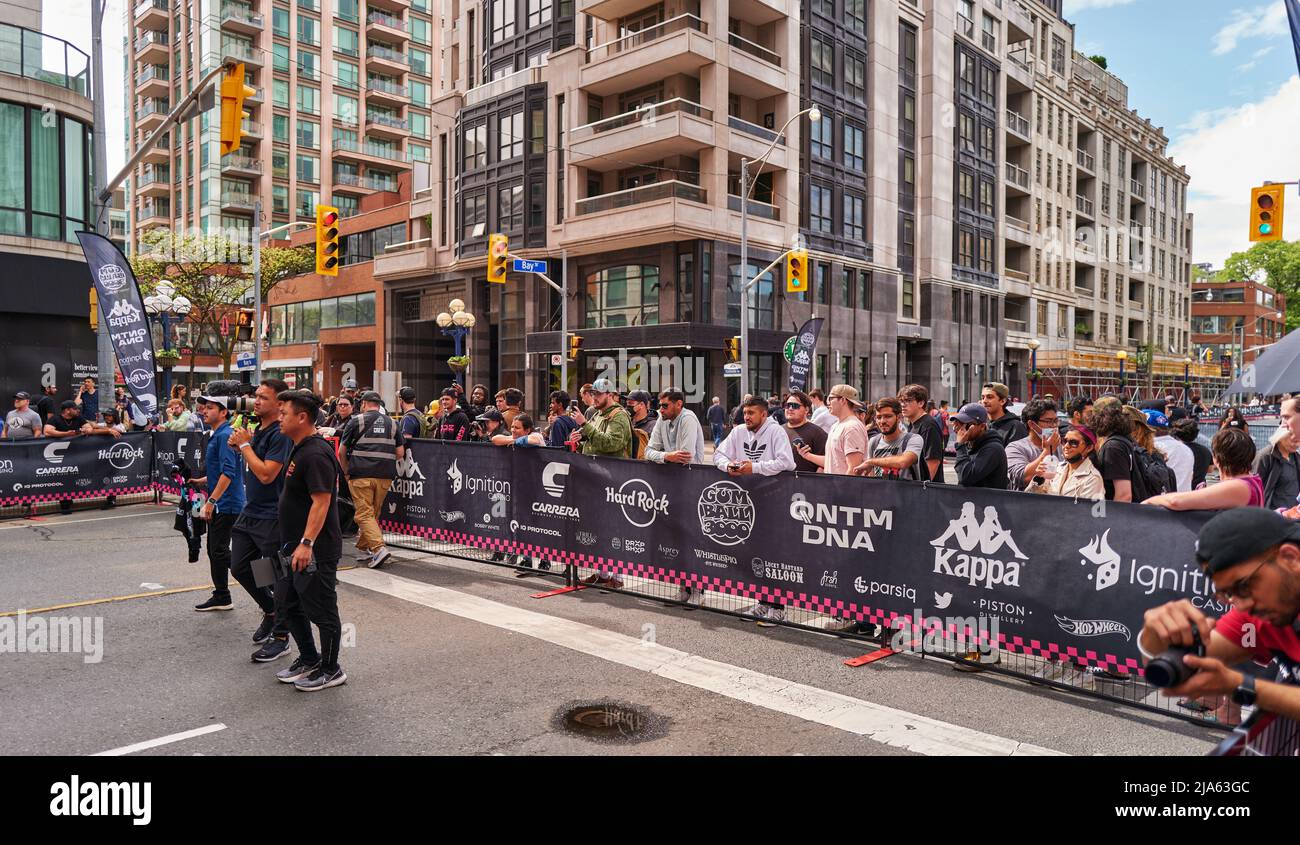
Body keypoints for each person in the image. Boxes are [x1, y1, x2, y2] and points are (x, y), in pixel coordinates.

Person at [1137, 509, 1300, 730]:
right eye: (1228, 593)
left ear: (1290, 558)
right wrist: (1153, 634)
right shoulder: (1260, 613)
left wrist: (1243, 686)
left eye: (1243, 586)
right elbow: (1174, 667)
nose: (1241, 605)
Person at [272, 390, 346, 691]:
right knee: (287, 603)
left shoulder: (315, 453)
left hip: (314, 549)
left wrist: (306, 543)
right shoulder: (299, 446)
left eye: (284, 413)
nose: (279, 418)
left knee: (322, 610)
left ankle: (331, 669)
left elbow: (321, 502)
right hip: (290, 545)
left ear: (302, 417)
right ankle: (309, 658)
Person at [225, 379, 295, 662]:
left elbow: (267, 474)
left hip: (273, 516)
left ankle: (282, 636)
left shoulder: (280, 433)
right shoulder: (258, 430)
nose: (256, 401)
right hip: (251, 511)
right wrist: (241, 445)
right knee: (240, 566)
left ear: (279, 404)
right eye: (256, 396)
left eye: (263, 397)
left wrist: (244, 446)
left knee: (278, 576)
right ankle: (270, 610)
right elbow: (253, 463)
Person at [715, 395, 796, 626]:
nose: (746, 417)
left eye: (752, 413)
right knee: (755, 554)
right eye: (745, 413)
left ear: (764, 414)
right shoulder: (739, 431)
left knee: (774, 555)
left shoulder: (776, 432)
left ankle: (779, 608)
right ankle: (762, 602)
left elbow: (787, 463)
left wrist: (755, 467)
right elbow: (719, 454)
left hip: (774, 500)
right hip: (747, 501)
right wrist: (727, 465)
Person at [190, 392, 247, 611]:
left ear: (224, 412)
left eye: (210, 407)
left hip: (228, 503)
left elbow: (229, 473)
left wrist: (211, 501)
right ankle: (222, 595)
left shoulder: (225, 435)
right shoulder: (218, 434)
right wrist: (202, 481)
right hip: (224, 501)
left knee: (222, 551)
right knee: (215, 550)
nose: (204, 410)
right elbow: (220, 471)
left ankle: (269, 587)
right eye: (204, 407)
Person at [340, 391, 404, 569]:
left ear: (364, 404)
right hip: (385, 475)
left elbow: (341, 451)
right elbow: (400, 453)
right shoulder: (393, 423)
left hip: (360, 474)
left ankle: (378, 549)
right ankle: (365, 546)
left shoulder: (356, 421)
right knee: (372, 512)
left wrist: (345, 471)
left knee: (363, 514)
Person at [1144, 428, 1263, 510]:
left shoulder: (1239, 486)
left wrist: (1148, 502)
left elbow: (1176, 501)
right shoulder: (1253, 480)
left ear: (1216, 459)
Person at [797, 384, 867, 475]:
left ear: (843, 400)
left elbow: (853, 470)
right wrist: (808, 455)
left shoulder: (852, 427)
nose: (827, 402)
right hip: (833, 486)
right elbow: (833, 461)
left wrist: (841, 489)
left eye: (830, 398)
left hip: (842, 488)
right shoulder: (836, 425)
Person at [853, 397, 924, 480]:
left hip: (907, 492)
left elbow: (903, 462)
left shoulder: (913, 439)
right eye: (879, 417)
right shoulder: (874, 441)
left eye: (888, 416)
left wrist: (870, 462)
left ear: (899, 417)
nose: (882, 421)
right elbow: (871, 477)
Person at [1026, 425, 1104, 499]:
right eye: (1064, 441)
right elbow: (1032, 498)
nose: (1066, 446)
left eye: (1073, 442)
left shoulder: (1093, 478)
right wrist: (1039, 478)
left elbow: (1086, 510)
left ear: (1089, 448)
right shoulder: (1057, 468)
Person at [1004, 398, 1061, 492]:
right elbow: (1023, 478)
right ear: (1032, 424)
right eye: (1048, 421)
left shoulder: (1059, 445)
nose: (1054, 425)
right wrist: (1047, 451)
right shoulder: (1015, 448)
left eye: (1055, 421)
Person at [567, 377, 632, 459]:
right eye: (593, 394)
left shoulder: (619, 415)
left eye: (598, 394)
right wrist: (578, 445)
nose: (594, 397)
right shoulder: (598, 414)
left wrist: (584, 424)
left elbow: (611, 444)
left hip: (611, 469)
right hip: (596, 468)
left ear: (610, 395)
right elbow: (593, 444)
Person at [1090, 398, 1139, 502]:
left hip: (1122, 514)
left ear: (1101, 417)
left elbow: (1124, 495)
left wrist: (1114, 518)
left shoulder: (1113, 447)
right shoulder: (1125, 440)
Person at [952, 402, 1008, 489]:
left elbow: (966, 477)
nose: (962, 429)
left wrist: (960, 446)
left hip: (989, 501)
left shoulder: (993, 449)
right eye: (960, 423)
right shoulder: (970, 443)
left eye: (967, 425)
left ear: (982, 426)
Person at [645, 388, 705, 466]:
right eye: (660, 405)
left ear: (679, 404)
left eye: (665, 406)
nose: (661, 410)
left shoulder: (688, 418)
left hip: (690, 474)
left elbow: (685, 459)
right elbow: (648, 452)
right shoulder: (662, 418)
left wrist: (661, 456)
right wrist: (667, 456)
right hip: (669, 472)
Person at [900, 384, 945, 483]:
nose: (903, 405)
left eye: (908, 401)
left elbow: (933, 461)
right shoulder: (913, 424)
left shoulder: (928, 426)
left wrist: (920, 490)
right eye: (902, 401)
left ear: (921, 403)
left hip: (927, 491)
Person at [1254, 421, 1300, 511]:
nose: (1297, 444)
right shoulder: (1265, 456)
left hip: (1294, 513)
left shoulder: (1295, 457)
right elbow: (1254, 487)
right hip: (1273, 515)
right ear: (1281, 437)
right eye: (1293, 440)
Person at [782, 390, 827, 474]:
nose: (790, 409)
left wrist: (814, 482)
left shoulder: (817, 433)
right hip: (781, 483)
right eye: (787, 405)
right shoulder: (779, 431)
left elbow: (826, 462)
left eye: (795, 406)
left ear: (806, 409)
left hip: (806, 483)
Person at [1171, 417, 1213, 490]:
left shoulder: (1174, 449)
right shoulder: (1205, 450)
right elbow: (1210, 470)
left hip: (1178, 489)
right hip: (1198, 489)